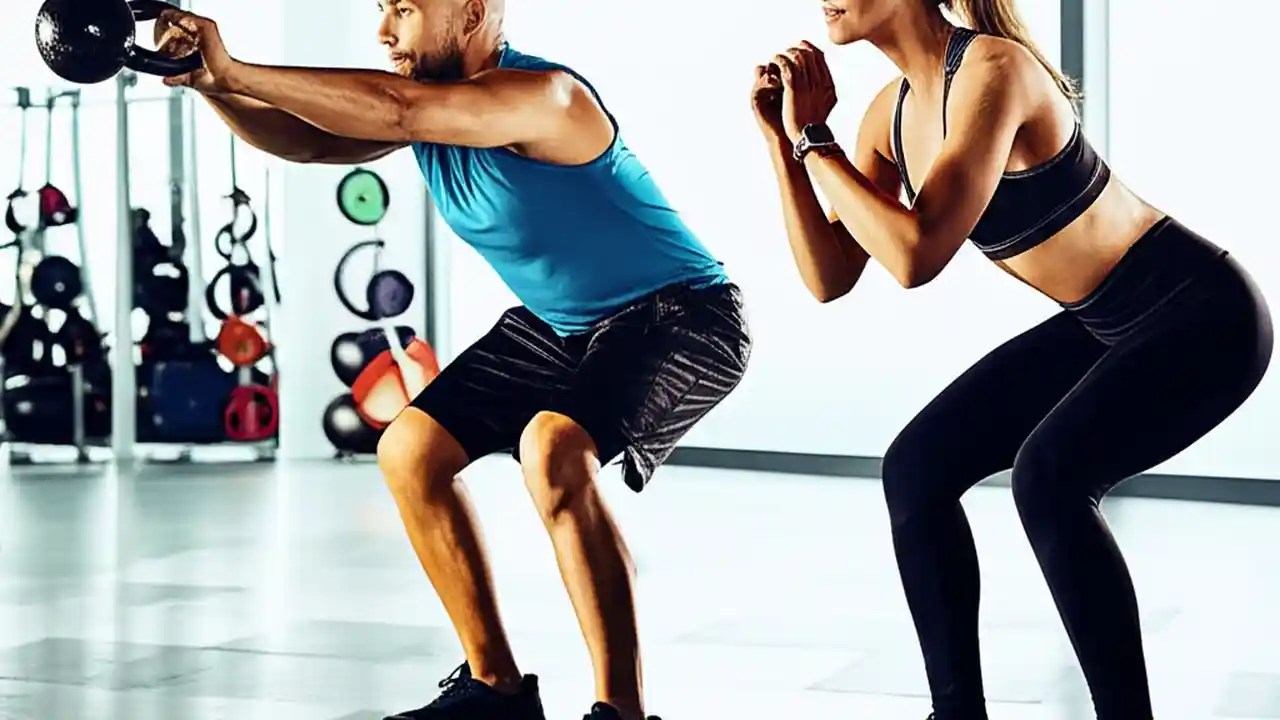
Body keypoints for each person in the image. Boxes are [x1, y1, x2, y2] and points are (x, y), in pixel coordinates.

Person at [155, 2, 753, 719]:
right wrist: (210, 85)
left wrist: (237, 67)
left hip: (684, 315)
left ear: (471, 11)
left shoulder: (546, 97)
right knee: (410, 448)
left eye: (405, 10)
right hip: (565, 325)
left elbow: (402, 109)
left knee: (554, 447)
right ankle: (494, 689)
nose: (385, 33)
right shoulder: (428, 116)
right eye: (383, 11)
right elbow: (307, 144)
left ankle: (620, 712)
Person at [753, 1, 1273, 719]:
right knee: (917, 469)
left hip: (1200, 313)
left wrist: (815, 139)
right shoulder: (888, 115)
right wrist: (786, 147)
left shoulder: (995, 71)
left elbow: (915, 254)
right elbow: (829, 277)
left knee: (1050, 479)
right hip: (1102, 321)